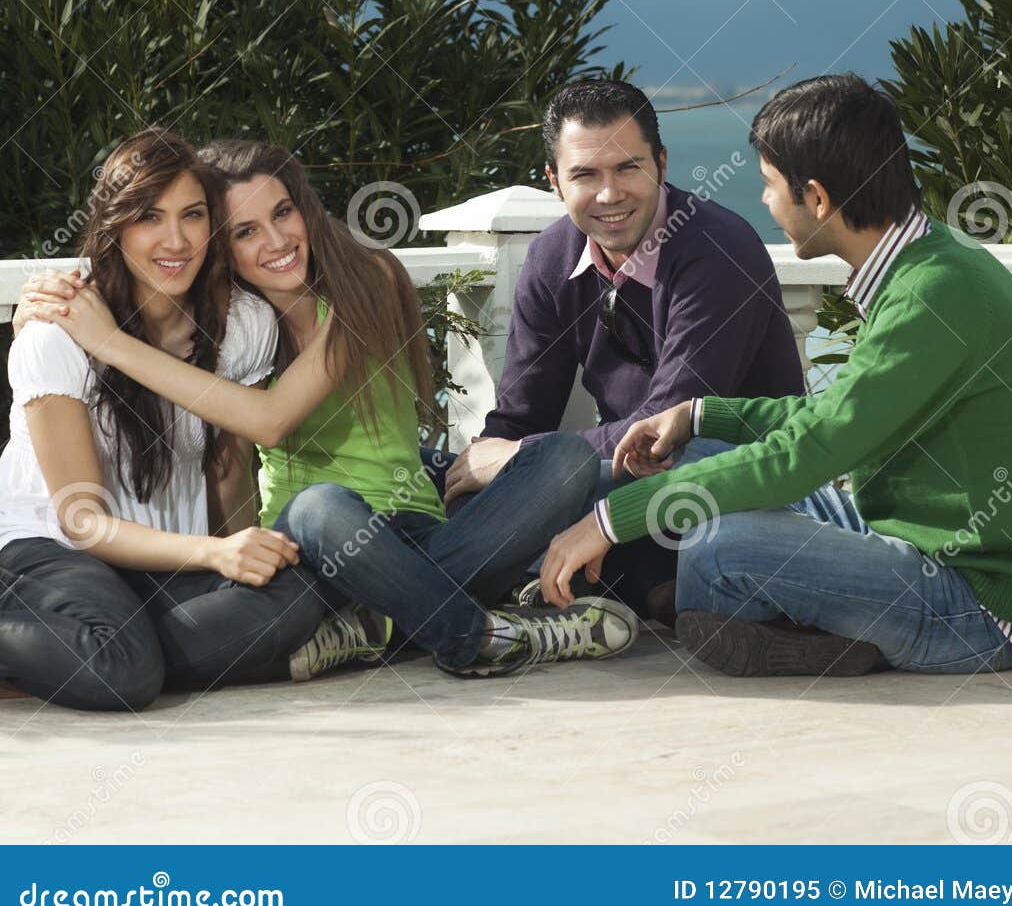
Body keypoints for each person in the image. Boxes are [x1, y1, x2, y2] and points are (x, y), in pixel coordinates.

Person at [22, 141, 639, 679]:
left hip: (409, 525)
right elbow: (230, 454)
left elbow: (267, 419)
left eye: (283, 213)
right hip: (314, 540)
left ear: (305, 210)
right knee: (322, 507)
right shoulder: (234, 322)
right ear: (221, 246)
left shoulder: (367, 281)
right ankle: (479, 633)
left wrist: (110, 343)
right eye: (243, 231)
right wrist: (48, 305)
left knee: (564, 459)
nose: (275, 241)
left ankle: (378, 623)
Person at [538, 74, 1012, 677]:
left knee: (718, 548)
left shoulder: (936, 294)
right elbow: (833, 413)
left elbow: (809, 452)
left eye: (768, 187)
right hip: (901, 535)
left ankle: (826, 633)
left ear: (816, 199)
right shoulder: (922, 264)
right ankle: (820, 630)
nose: (764, 204)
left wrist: (611, 519)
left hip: (973, 603)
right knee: (697, 454)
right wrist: (697, 415)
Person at [443, 78, 803, 614]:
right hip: (620, 482)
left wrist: (522, 462)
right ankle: (631, 591)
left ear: (661, 162)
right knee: (446, 475)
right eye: (585, 174)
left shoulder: (717, 252)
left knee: (679, 460)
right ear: (554, 181)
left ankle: (436, 592)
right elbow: (517, 417)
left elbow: (665, 428)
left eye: (627, 168)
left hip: (721, 475)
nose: (609, 195)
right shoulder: (551, 259)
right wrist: (484, 476)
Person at [0, 131, 325, 712]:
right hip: (50, 551)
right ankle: (104, 650)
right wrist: (209, 556)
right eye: (150, 216)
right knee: (125, 672)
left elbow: (227, 467)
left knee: (295, 595)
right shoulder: (57, 334)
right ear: (115, 227)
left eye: (193, 216)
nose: (176, 240)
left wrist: (236, 556)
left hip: (156, 560)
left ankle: (77, 654)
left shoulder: (243, 322)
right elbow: (81, 523)